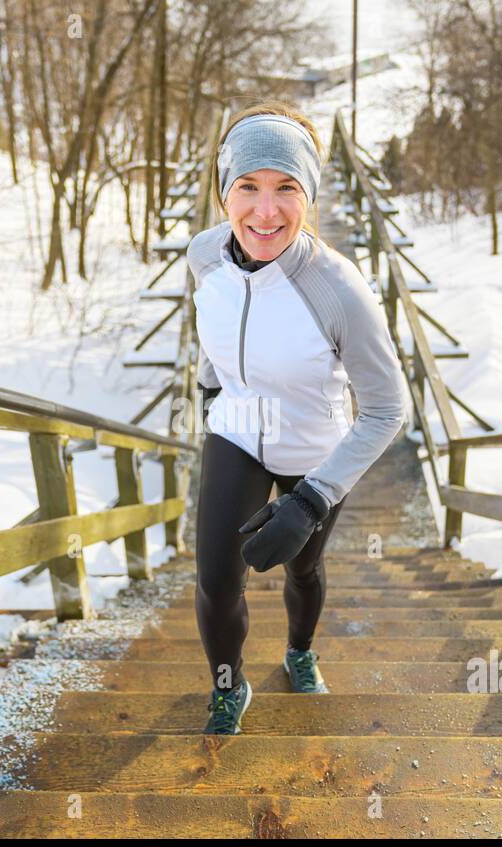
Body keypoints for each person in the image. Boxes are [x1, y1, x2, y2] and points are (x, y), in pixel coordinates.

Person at [185, 101, 408, 735]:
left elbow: (390, 408)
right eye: (247, 187)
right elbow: (218, 325)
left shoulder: (338, 289)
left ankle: (299, 653)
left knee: (303, 567)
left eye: (287, 189)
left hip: (317, 451)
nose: (265, 209)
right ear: (224, 191)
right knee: (215, 580)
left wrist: (311, 500)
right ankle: (229, 685)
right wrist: (209, 388)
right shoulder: (203, 255)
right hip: (236, 434)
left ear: (308, 196)